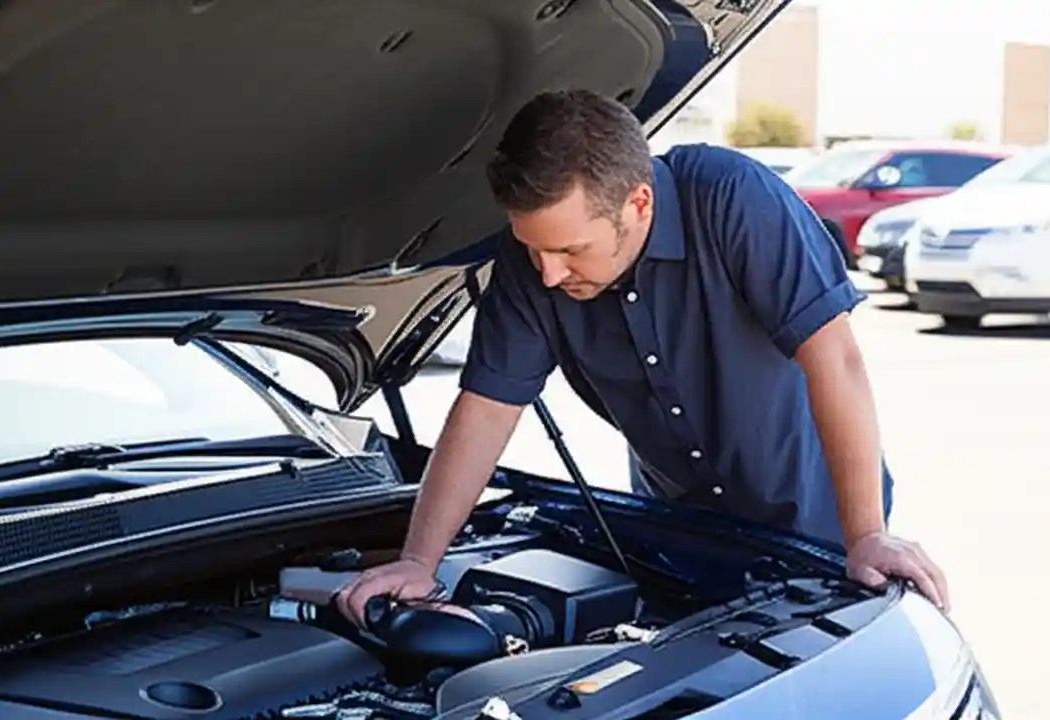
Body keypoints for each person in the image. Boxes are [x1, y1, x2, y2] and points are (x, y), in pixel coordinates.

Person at [336, 90, 948, 624]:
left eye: (571, 250)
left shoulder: (734, 201)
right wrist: (419, 561)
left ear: (639, 204)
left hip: (820, 537)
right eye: (535, 250)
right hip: (680, 540)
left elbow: (835, 360)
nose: (548, 274)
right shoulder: (533, 263)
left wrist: (866, 534)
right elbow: (486, 410)